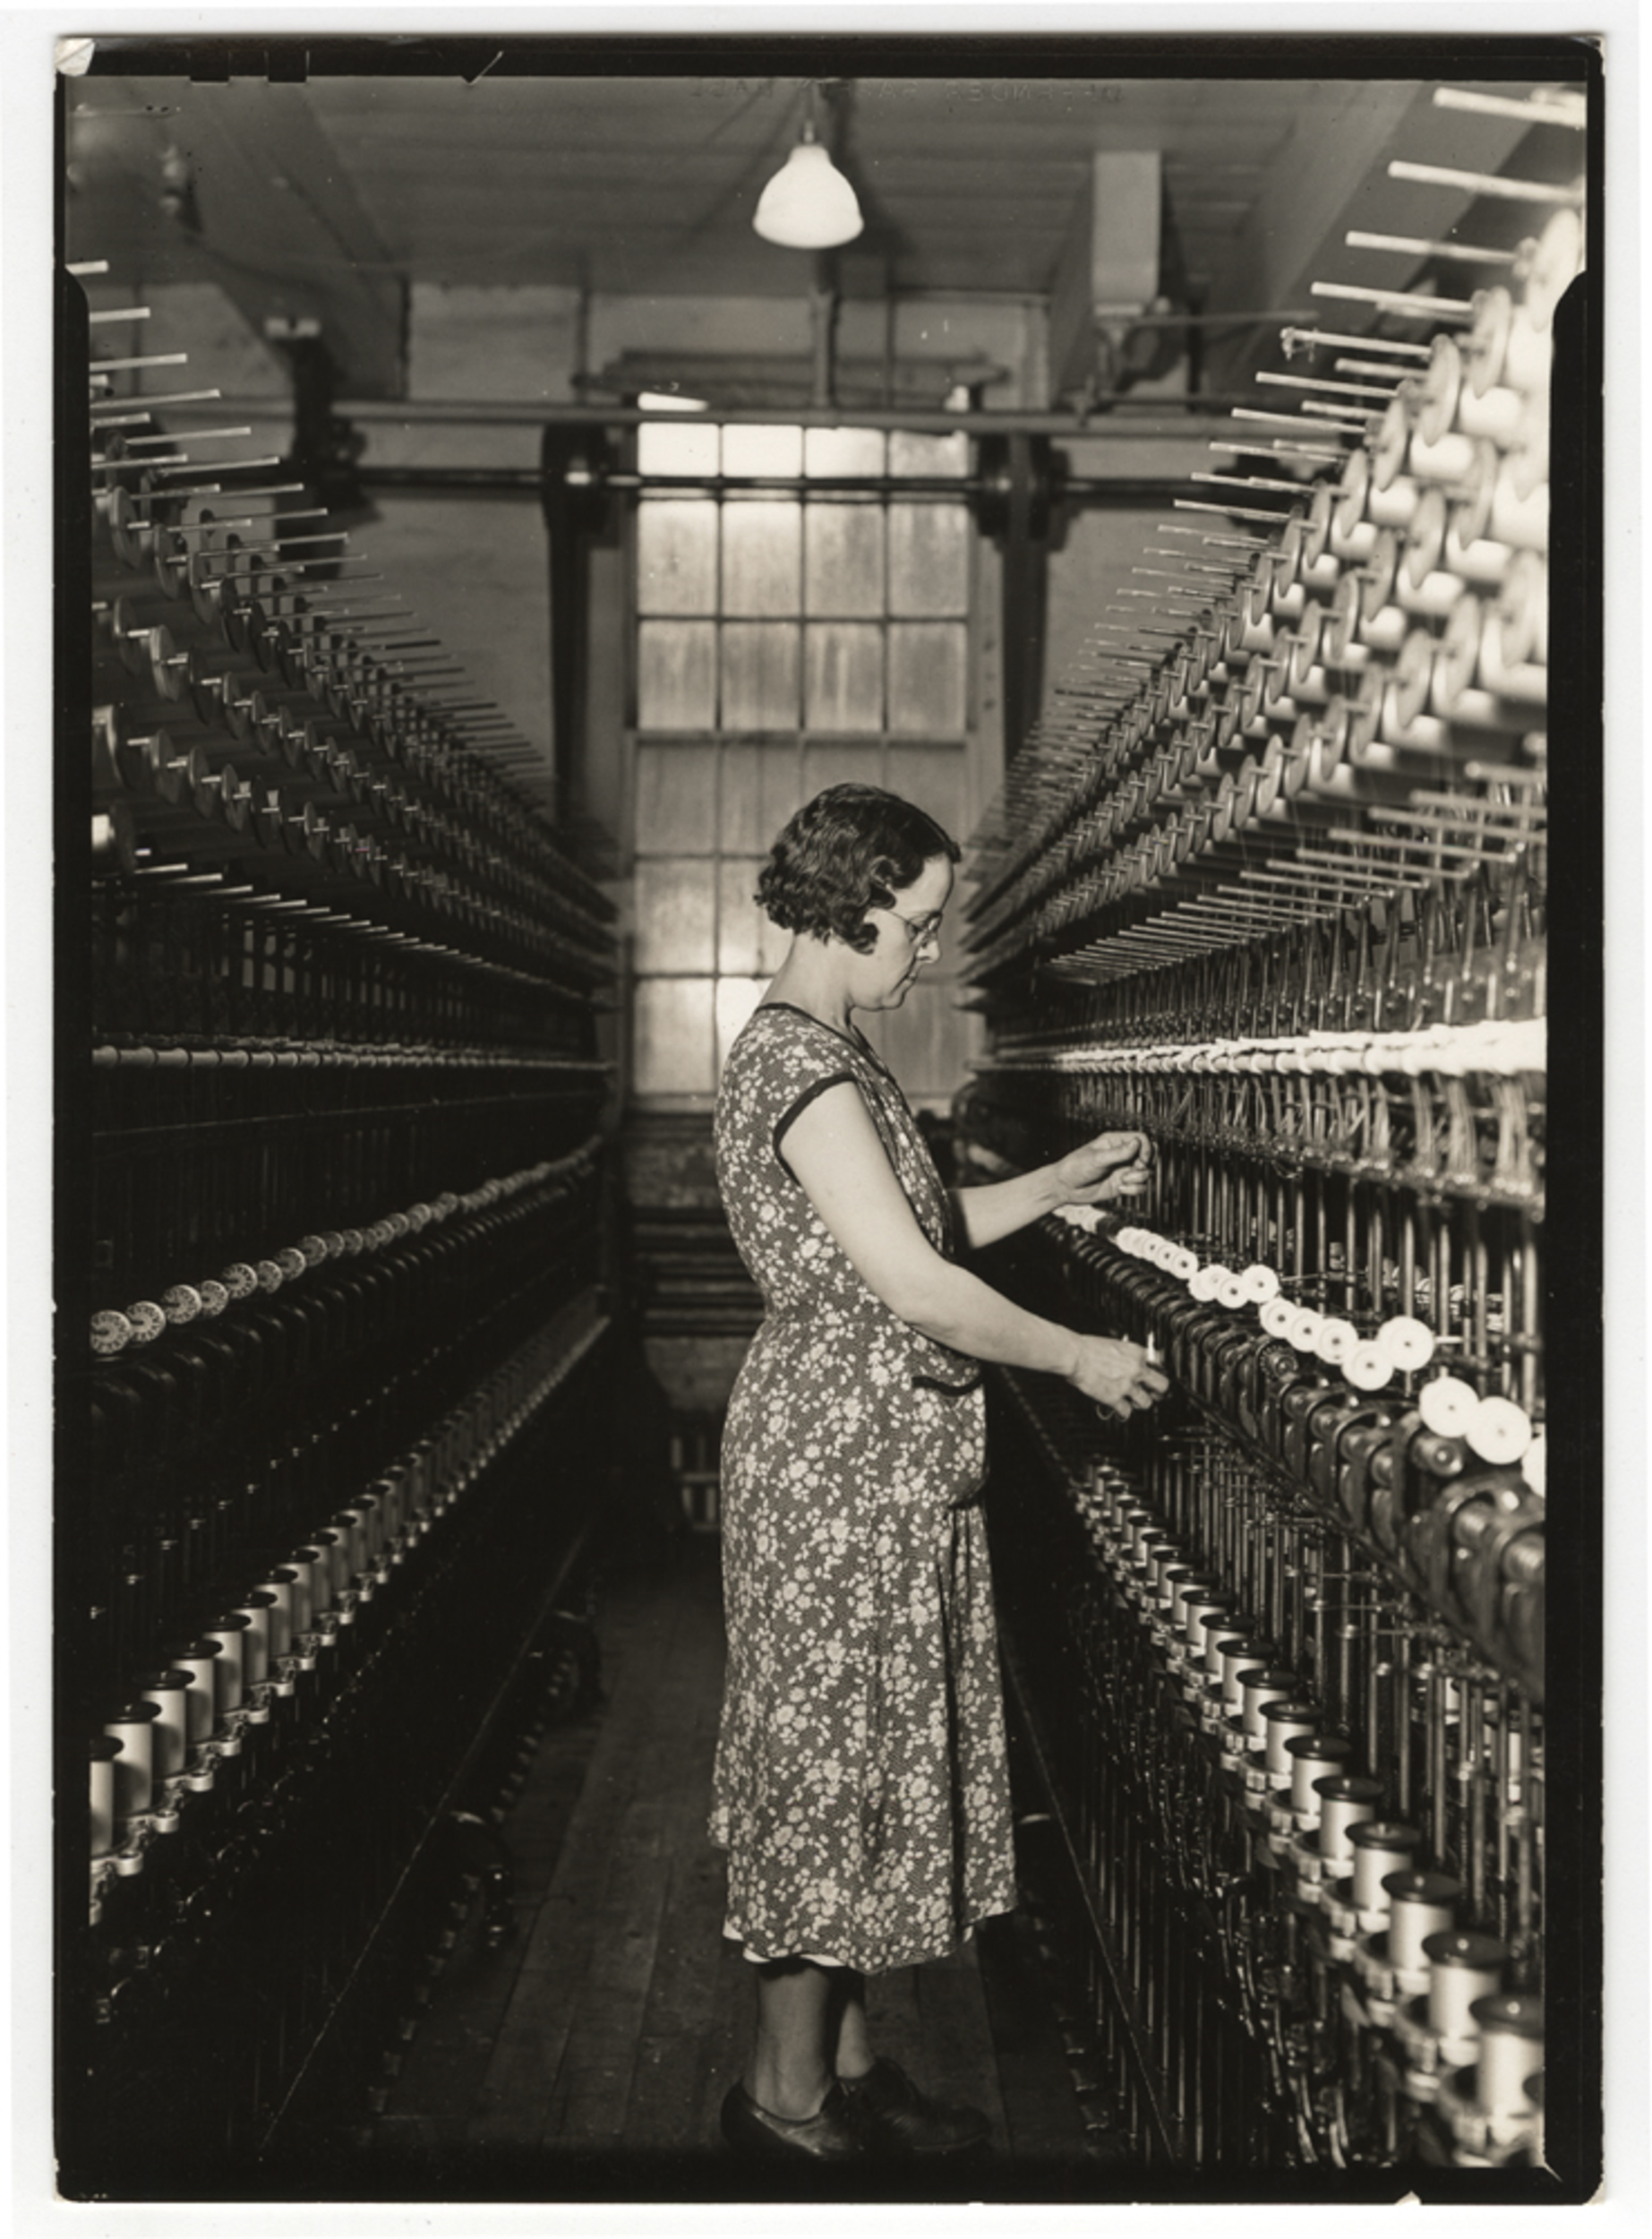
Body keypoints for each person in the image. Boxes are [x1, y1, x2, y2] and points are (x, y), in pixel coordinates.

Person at [710, 785, 1168, 2165]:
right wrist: (1077, 1356)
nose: (924, 954)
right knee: (826, 1766)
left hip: (873, 1455)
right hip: (835, 1465)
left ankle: (842, 2067)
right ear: (847, 911)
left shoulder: (829, 1057)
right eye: (912, 926)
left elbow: (920, 1220)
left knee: (861, 1758)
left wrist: (1058, 1181)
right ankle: (782, 2111)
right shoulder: (798, 1070)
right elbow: (912, 1281)